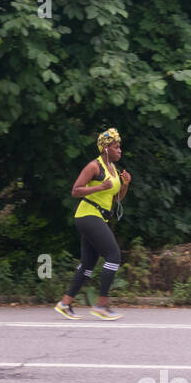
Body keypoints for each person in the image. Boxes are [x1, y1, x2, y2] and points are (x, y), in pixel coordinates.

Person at [54, 127, 131, 320]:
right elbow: (75, 190)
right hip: (88, 215)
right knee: (113, 255)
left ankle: (65, 303)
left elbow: (116, 199)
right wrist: (99, 186)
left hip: (98, 217)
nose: (120, 149)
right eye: (116, 146)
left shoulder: (113, 169)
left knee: (88, 264)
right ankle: (101, 305)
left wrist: (126, 185)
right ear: (106, 149)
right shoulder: (94, 167)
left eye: (120, 146)